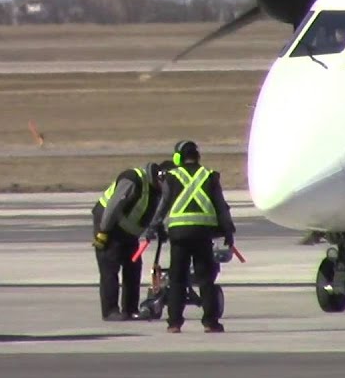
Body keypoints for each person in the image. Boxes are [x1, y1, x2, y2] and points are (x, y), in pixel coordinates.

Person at [148, 139, 236, 333]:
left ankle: (174, 323)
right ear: (198, 157)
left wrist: (153, 227)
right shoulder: (209, 176)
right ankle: (210, 323)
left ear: (178, 157)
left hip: (179, 234)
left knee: (178, 279)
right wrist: (228, 231)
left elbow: (163, 206)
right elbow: (221, 207)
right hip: (203, 233)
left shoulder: (171, 177)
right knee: (206, 279)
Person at [91, 160, 170, 321]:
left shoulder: (157, 189)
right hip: (109, 225)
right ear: (161, 177)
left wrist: (159, 228)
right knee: (110, 268)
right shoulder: (133, 180)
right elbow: (113, 206)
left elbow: (153, 211)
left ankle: (130, 309)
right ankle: (110, 311)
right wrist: (103, 232)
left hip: (128, 233)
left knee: (133, 267)